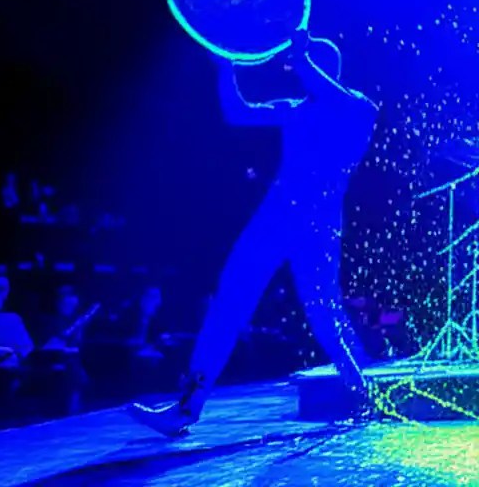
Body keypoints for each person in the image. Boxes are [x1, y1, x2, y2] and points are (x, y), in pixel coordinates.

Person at [129, 32, 376, 437]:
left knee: (322, 311)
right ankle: (187, 407)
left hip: (315, 223)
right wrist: (227, 69)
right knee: (227, 305)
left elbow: (330, 96)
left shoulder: (357, 108)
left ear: (323, 69)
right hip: (274, 218)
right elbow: (237, 112)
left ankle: (361, 392)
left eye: (305, 63)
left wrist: (302, 61)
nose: (296, 69)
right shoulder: (294, 109)